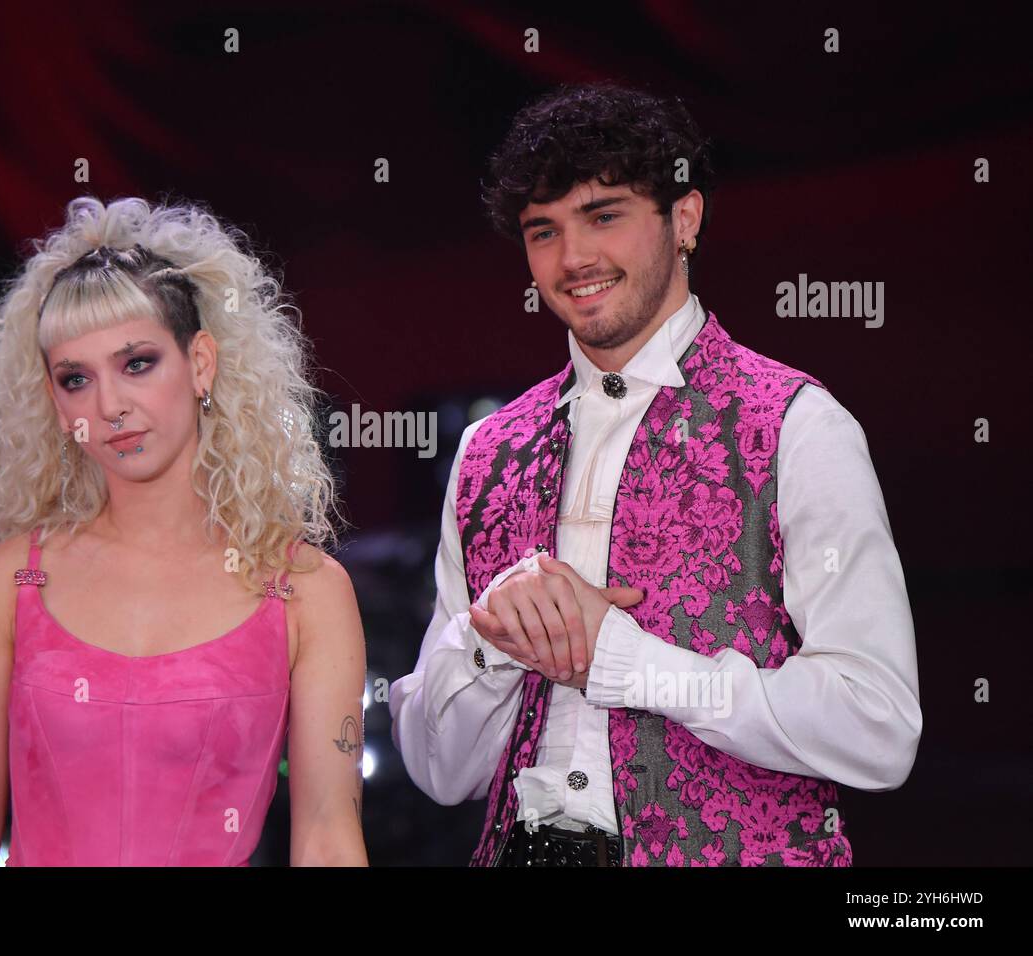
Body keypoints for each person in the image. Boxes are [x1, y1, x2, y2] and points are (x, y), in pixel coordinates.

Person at [390, 81, 921, 867]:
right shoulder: (488, 452)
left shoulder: (796, 425)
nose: (573, 260)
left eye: (605, 216)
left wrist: (631, 662)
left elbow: (879, 726)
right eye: (544, 231)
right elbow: (441, 775)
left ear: (685, 219)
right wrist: (491, 640)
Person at [0, 196, 367, 866]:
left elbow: (328, 840)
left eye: (137, 363)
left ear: (202, 364)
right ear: (53, 400)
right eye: (77, 378)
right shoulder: (12, 580)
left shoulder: (306, 591)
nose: (110, 406)